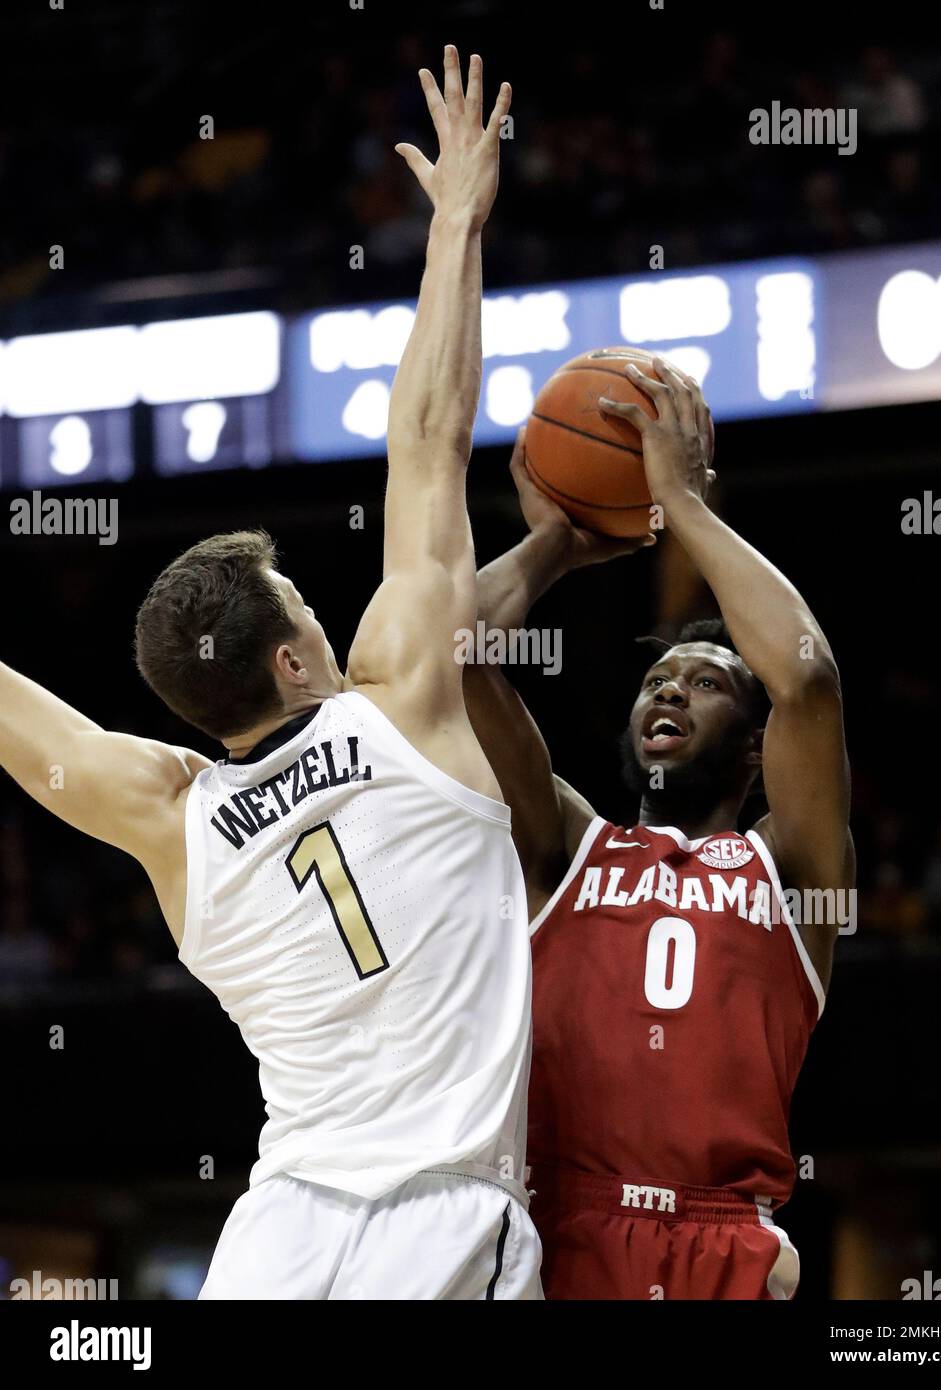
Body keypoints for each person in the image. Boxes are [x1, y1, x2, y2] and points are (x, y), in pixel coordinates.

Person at [0, 47, 542, 1301]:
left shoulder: (170, 820)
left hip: (278, 1235)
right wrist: (456, 224)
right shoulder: (405, 704)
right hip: (442, 1219)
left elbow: (28, 734)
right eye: (308, 601)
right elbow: (427, 440)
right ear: (296, 657)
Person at [465, 361, 854, 1298]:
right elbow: (455, 654)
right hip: (557, 1225)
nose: (670, 686)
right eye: (654, 681)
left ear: (757, 753)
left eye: (707, 680)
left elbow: (804, 675)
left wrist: (679, 503)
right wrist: (554, 545)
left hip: (718, 1240)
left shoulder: (789, 868)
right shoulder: (565, 845)